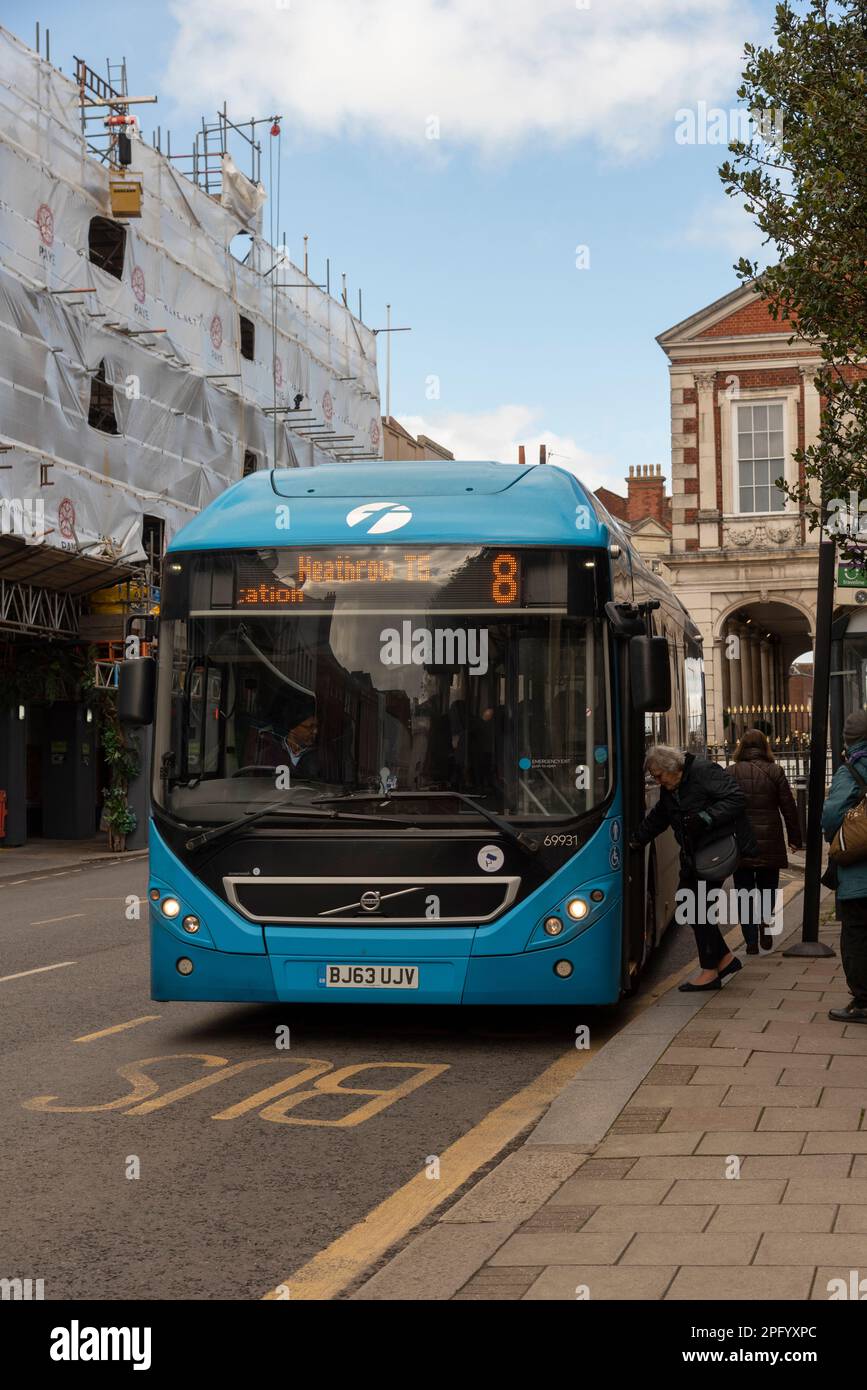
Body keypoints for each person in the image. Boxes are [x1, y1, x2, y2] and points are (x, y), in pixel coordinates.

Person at [630, 744, 758, 992]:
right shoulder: (672, 787)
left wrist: (705, 818)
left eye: (658, 776)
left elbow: (736, 798)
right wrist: (635, 840)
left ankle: (710, 971)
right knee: (691, 906)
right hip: (695, 855)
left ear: (672, 768)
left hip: (714, 851)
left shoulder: (702, 770)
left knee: (696, 907)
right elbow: (659, 817)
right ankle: (724, 959)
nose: (657, 781)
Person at [726, 729, 802, 955]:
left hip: (741, 841)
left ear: (741, 746)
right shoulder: (775, 771)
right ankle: (765, 922)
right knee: (768, 888)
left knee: (744, 891)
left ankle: (750, 940)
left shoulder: (730, 772)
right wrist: (795, 839)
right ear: (765, 746)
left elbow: (723, 808)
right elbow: (789, 808)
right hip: (770, 839)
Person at [821, 709, 867, 1024]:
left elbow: (831, 817)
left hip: (860, 875)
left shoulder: (851, 769)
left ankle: (863, 1001)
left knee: (857, 934)